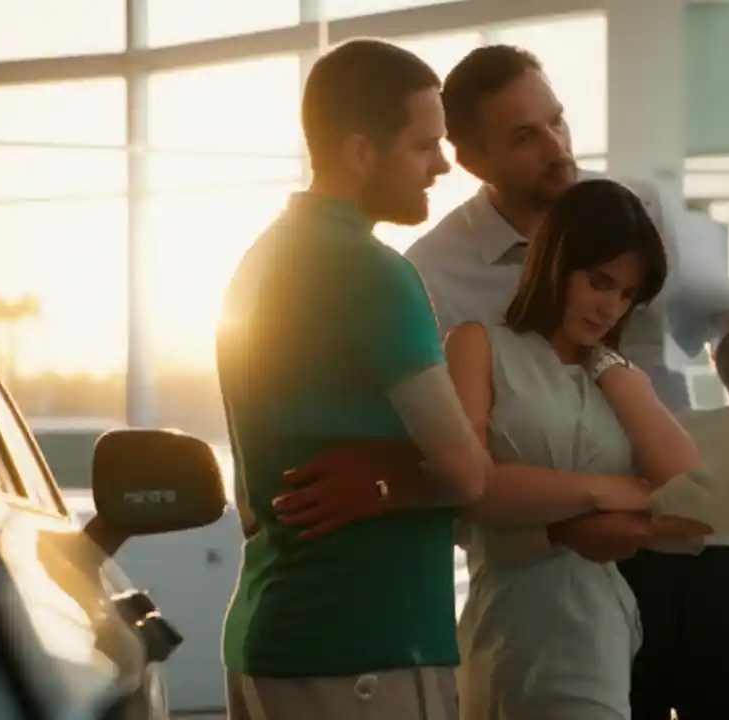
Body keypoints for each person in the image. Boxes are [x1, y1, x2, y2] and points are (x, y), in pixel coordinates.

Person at [407, 45, 729, 720]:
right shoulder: (435, 278)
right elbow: (456, 469)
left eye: (557, 121)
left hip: (703, 543)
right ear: (472, 159)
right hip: (569, 573)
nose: (557, 148)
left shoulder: (636, 208)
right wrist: (565, 525)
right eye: (525, 137)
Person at [214, 38, 491, 720]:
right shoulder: (372, 272)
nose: (443, 164)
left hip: (274, 638)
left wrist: (386, 474)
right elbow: (469, 474)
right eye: (424, 146)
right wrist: (396, 475)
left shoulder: (262, 259)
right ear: (362, 152)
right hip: (364, 646)